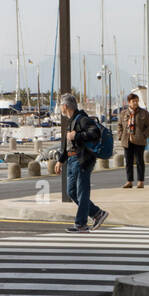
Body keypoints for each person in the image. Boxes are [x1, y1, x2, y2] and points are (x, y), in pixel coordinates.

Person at [52, 93, 109, 232]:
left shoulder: (82, 119)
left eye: (60, 105)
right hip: (71, 159)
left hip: (82, 159)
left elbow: (95, 132)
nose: (60, 108)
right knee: (71, 192)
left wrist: (76, 135)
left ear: (65, 106)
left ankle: (81, 224)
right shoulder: (70, 121)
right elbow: (67, 145)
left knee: (82, 192)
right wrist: (60, 161)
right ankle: (97, 213)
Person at [117, 92, 149, 188]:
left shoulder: (144, 113)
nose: (135, 103)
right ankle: (129, 181)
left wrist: (144, 135)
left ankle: (140, 181)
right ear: (129, 102)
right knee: (128, 161)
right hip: (127, 140)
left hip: (139, 140)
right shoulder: (123, 113)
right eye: (133, 101)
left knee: (139, 161)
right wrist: (120, 136)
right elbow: (119, 126)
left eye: (137, 101)